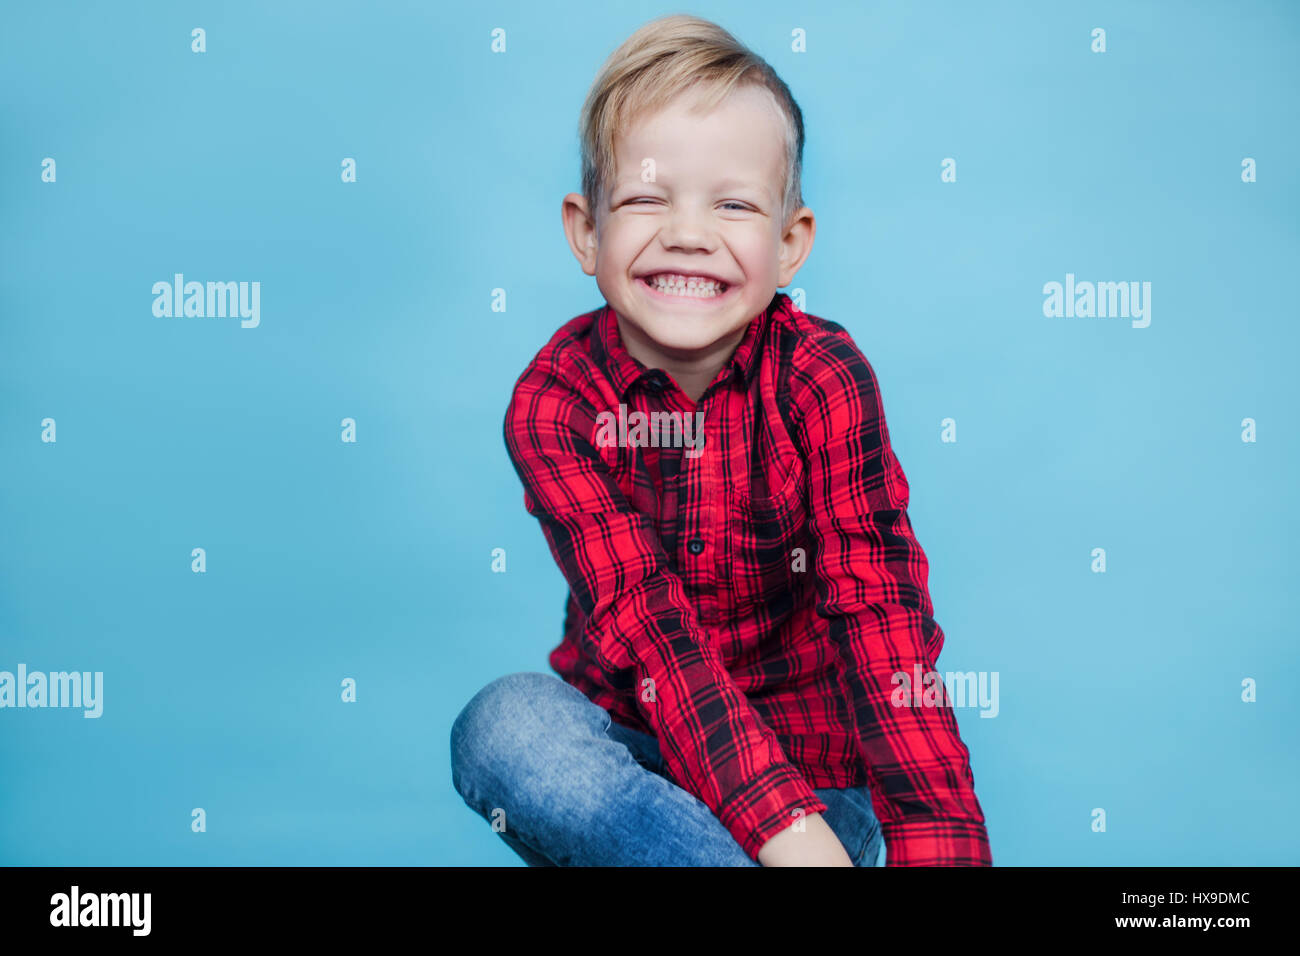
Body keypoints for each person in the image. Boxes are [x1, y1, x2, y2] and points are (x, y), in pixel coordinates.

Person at [450, 13, 992, 867]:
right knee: (501, 725)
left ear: (789, 245)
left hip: (815, 782)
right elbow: (650, 629)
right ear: (586, 232)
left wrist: (937, 846)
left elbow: (883, 614)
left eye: (732, 204)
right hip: (639, 768)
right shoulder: (554, 405)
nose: (689, 233)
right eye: (645, 198)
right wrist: (781, 843)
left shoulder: (822, 379)